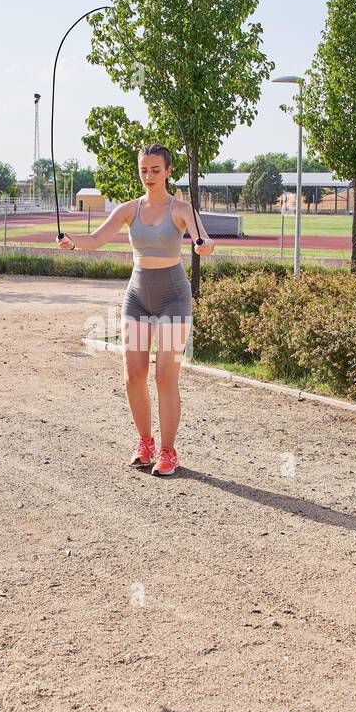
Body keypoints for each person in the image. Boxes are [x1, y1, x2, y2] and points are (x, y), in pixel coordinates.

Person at [57, 145, 214, 477]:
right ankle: (146, 443)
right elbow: (96, 239)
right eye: (144, 170)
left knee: (165, 377)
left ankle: (169, 452)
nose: (149, 176)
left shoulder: (181, 209)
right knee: (133, 376)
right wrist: (73, 242)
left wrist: (204, 245)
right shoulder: (129, 210)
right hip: (138, 296)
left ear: (168, 171)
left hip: (173, 297)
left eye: (156, 170)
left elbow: (206, 241)